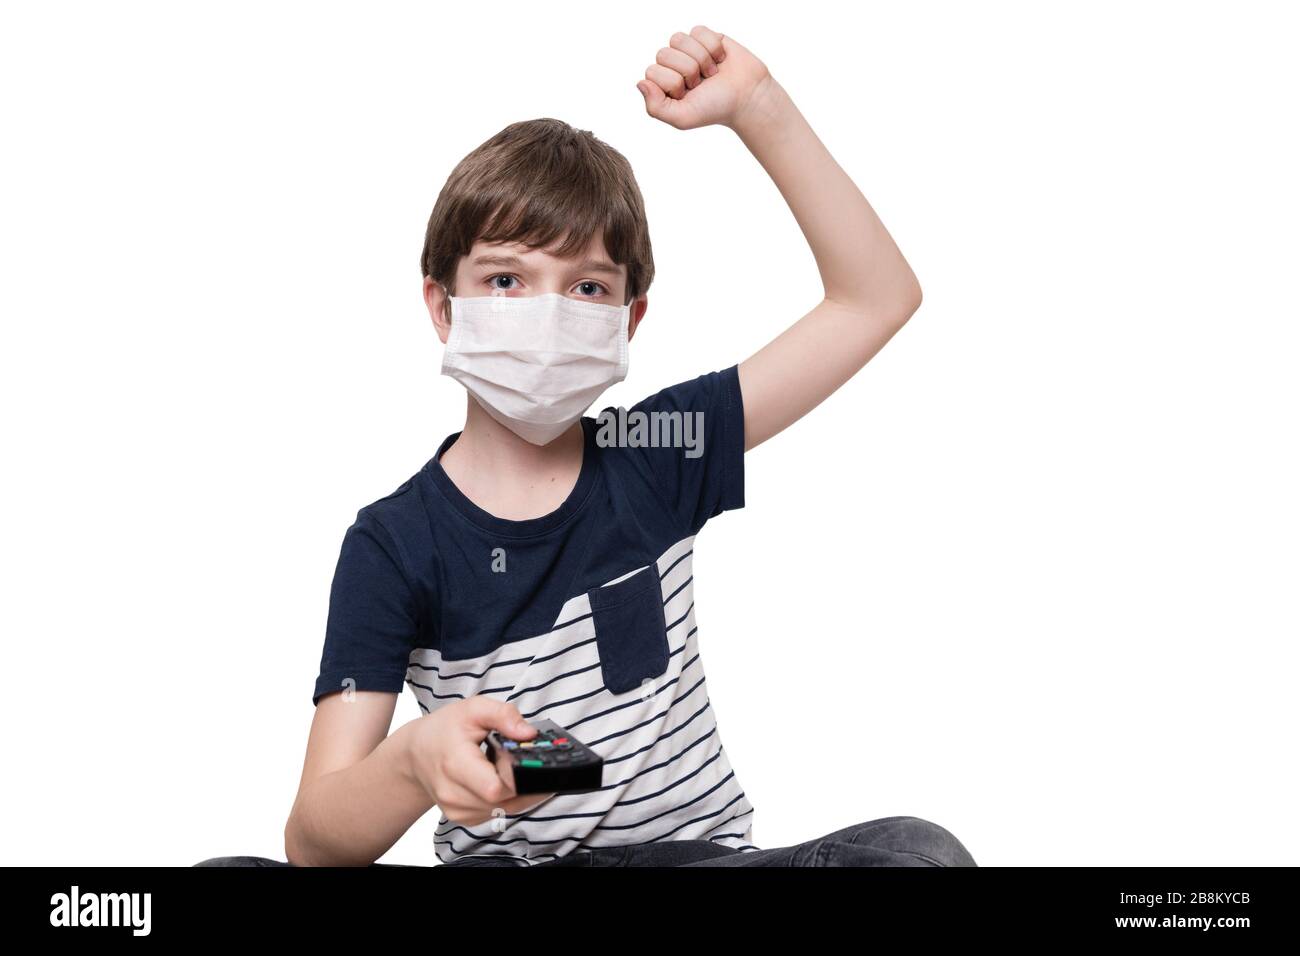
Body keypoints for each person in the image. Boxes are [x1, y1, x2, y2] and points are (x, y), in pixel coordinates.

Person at [196, 25, 975, 869]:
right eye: (505, 280)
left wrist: (757, 106)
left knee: (915, 854)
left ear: (629, 319)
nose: (547, 313)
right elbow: (314, 841)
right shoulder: (393, 544)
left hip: (688, 861)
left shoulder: (659, 448)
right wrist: (416, 762)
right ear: (442, 305)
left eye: (588, 287)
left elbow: (875, 297)